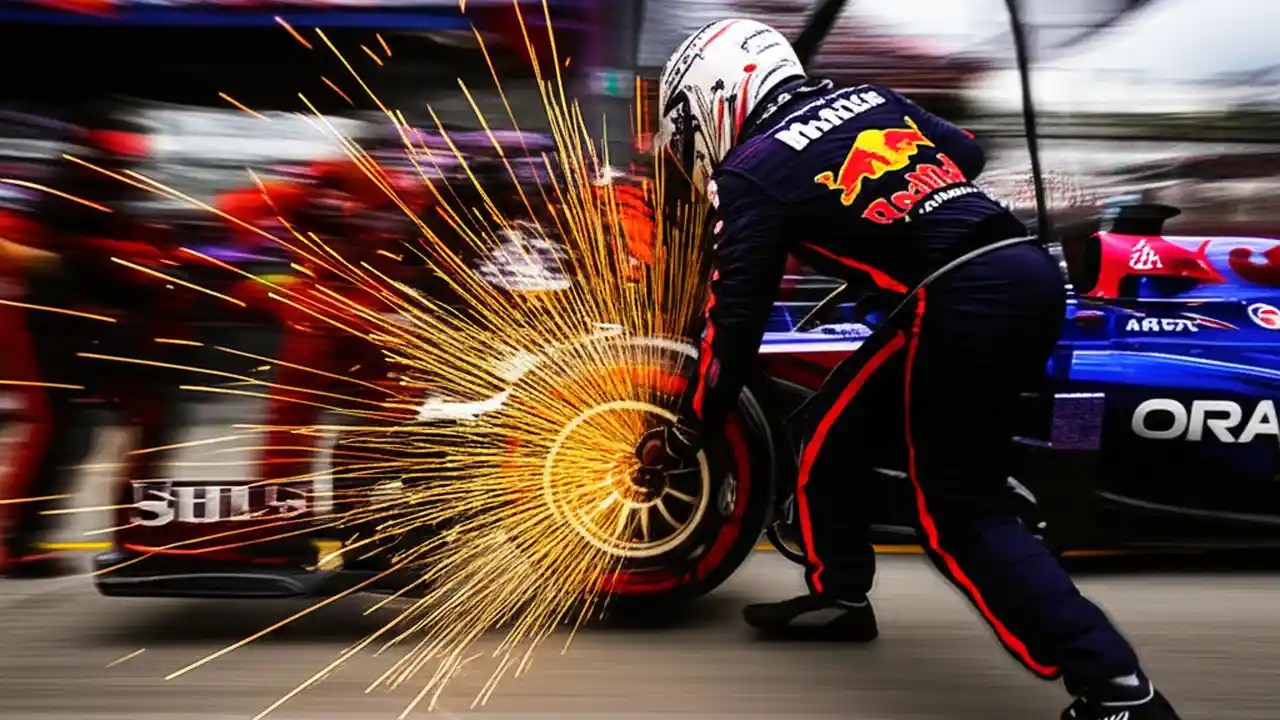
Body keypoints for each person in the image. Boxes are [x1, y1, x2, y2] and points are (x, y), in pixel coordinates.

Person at [640, 19, 1180, 720]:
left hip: (960, 300)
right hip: (1016, 271)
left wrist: (686, 435)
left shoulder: (750, 174)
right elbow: (968, 152)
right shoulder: (869, 97)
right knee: (834, 436)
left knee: (958, 511)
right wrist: (890, 217)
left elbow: (733, 329)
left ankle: (1119, 692)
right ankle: (840, 597)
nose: (691, 146)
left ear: (719, 94)